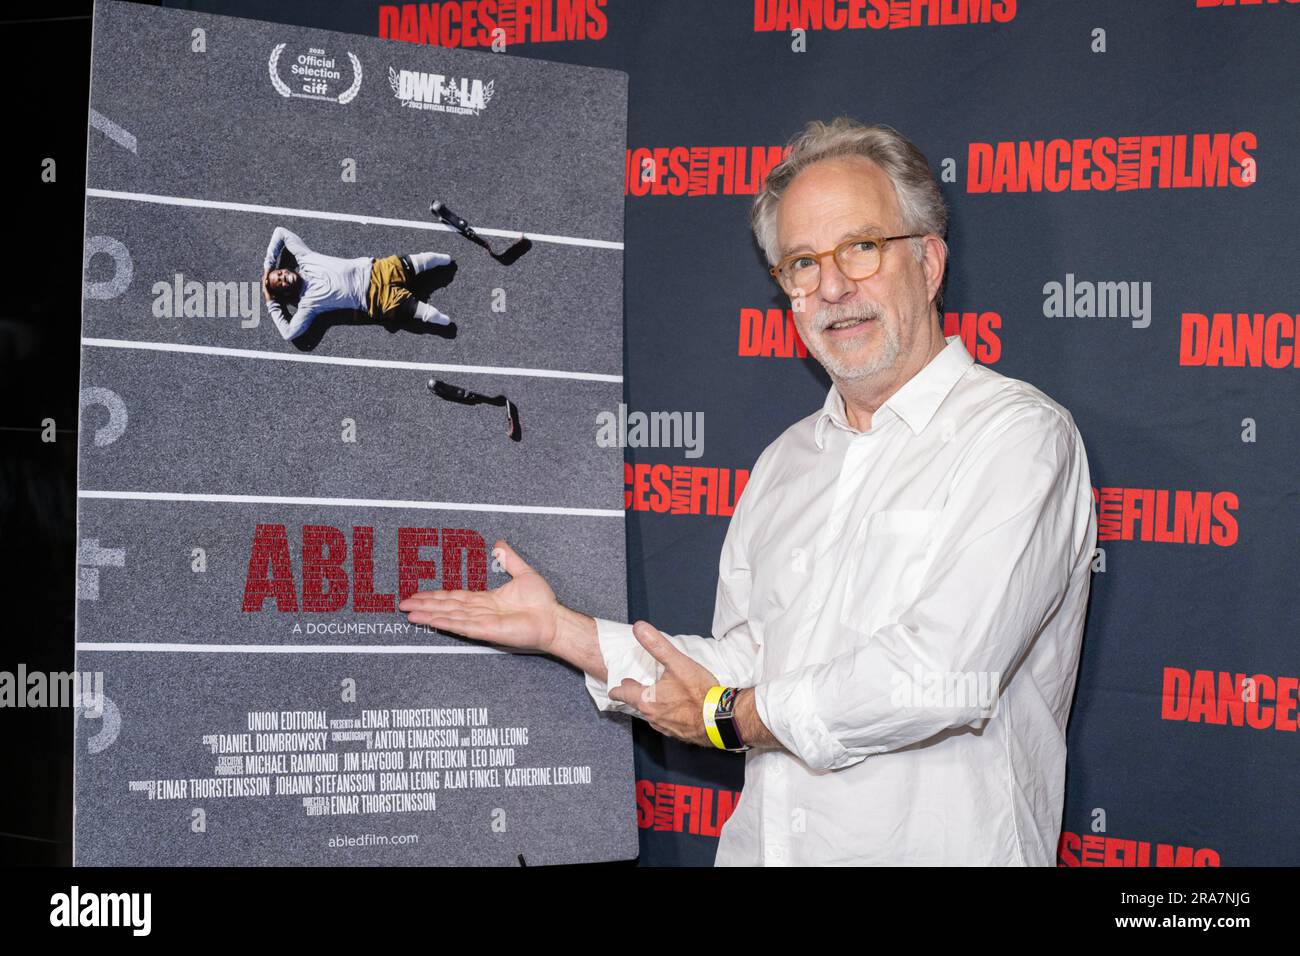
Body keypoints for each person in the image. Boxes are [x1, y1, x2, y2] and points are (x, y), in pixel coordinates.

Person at [399, 117, 1098, 866]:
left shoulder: (1021, 439)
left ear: (927, 263)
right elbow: (740, 668)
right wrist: (562, 633)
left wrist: (728, 718)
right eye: (801, 262)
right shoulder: (785, 463)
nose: (832, 286)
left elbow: (938, 677)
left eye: (861, 248)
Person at [261, 225, 454, 341]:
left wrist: (268, 267)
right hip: (377, 300)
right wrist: (270, 302)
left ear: (283, 269)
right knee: (433, 316)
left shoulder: (305, 257)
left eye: (279, 274)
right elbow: (289, 333)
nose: (283, 278)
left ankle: (447, 262)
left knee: (433, 258)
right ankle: (447, 325)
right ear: (285, 292)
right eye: (280, 283)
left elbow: (280, 232)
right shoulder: (308, 305)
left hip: (379, 269)